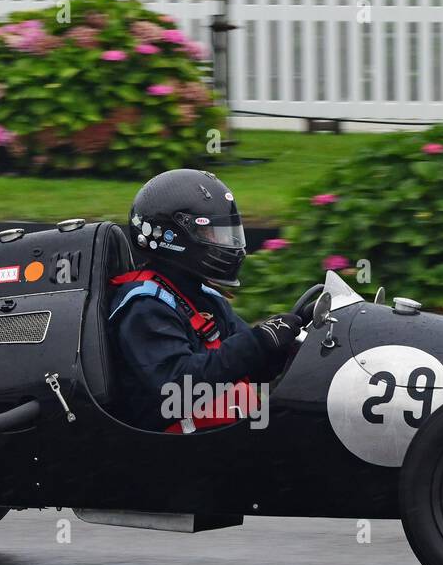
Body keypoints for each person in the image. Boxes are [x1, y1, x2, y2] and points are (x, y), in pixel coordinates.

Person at [108, 169, 303, 432]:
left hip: (231, 439)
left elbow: (253, 367)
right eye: (213, 233)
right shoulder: (144, 306)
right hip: (175, 454)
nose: (227, 244)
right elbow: (177, 389)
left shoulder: (206, 296)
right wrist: (258, 341)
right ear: (171, 236)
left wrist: (291, 342)